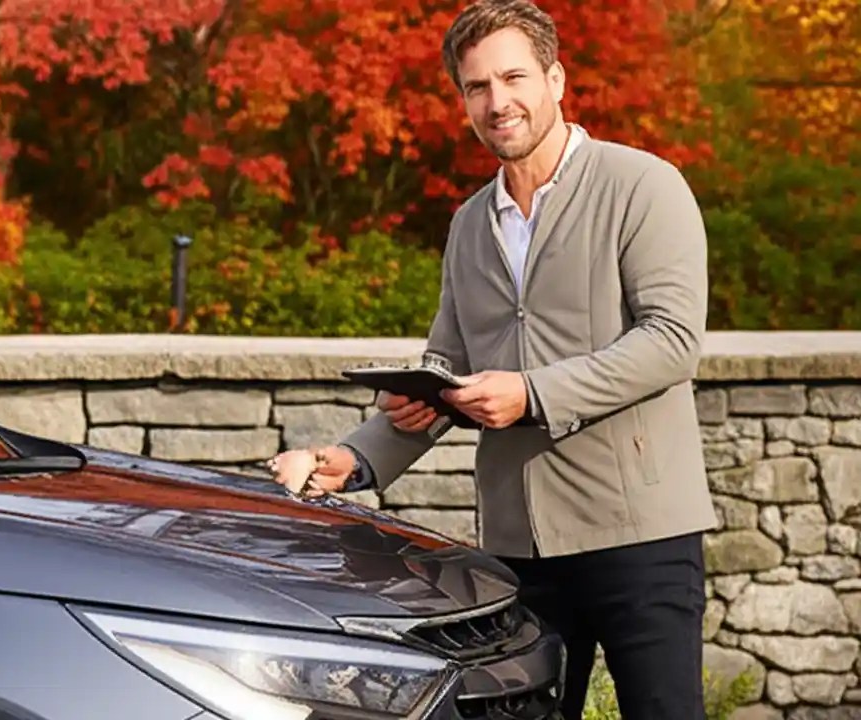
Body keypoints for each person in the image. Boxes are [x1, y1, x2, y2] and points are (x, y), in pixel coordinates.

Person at [264, 1, 717, 718]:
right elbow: (443, 372)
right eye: (477, 86)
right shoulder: (470, 223)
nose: (497, 101)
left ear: (556, 79)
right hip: (518, 549)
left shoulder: (643, 186)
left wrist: (531, 393)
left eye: (513, 78)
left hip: (641, 537)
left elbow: (671, 340)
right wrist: (347, 460)